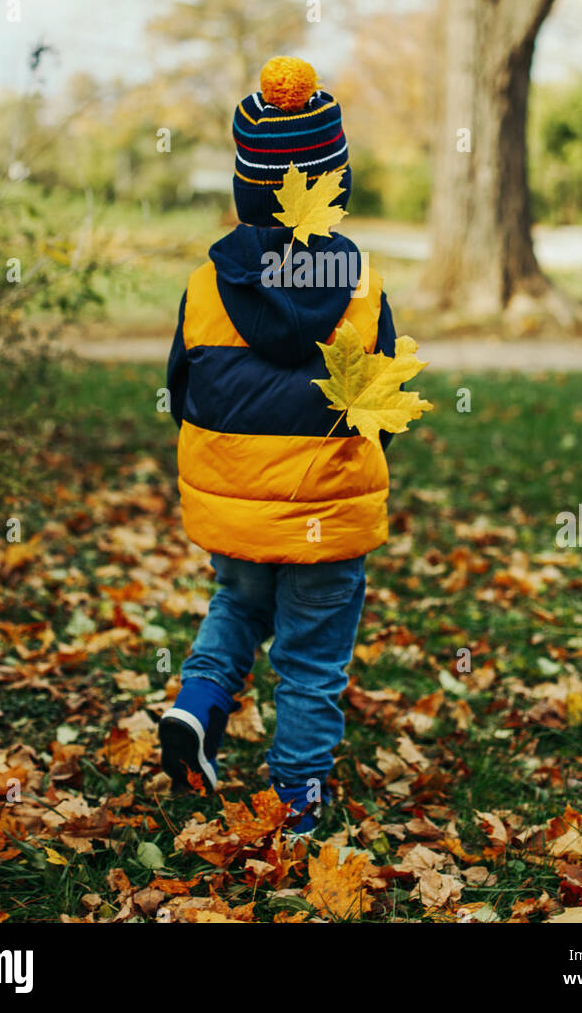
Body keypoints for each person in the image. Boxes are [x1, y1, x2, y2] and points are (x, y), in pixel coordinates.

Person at [161, 56, 398, 834]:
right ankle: (296, 799)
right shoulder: (358, 283)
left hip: (235, 508)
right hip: (326, 513)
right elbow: (382, 406)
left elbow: (180, 390)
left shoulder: (204, 284)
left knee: (236, 604)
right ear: (336, 183)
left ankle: (197, 708)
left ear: (244, 187)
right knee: (312, 659)